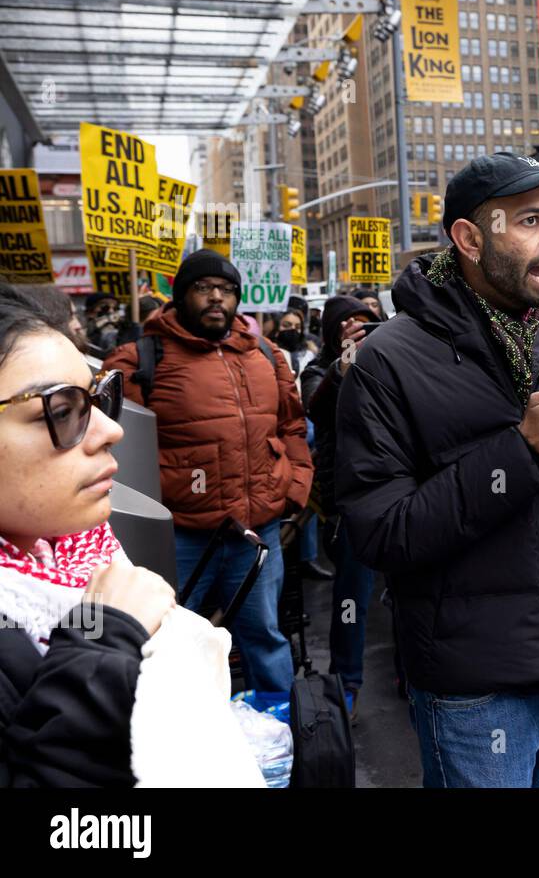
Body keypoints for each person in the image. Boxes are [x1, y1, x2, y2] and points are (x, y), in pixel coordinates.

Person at [334, 152, 539, 788]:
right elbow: (379, 533)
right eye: (528, 220)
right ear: (468, 238)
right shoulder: (388, 360)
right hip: (474, 687)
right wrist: (520, 452)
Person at [105, 249, 312, 694]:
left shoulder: (265, 354)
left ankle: (281, 743)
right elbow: (109, 442)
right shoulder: (140, 358)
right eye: (204, 288)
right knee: (169, 644)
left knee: (265, 639)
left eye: (227, 290)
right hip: (180, 537)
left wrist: (293, 487)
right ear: (182, 296)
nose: (217, 298)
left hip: (256, 533)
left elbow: (292, 424)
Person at [0, 284, 177, 787]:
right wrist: (105, 640)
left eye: (101, 397)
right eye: (59, 411)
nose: (109, 430)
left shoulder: (79, 548)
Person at [300, 294, 380, 716]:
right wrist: (345, 363)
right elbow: (319, 407)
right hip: (350, 507)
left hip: (398, 496)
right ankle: (345, 684)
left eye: (364, 320)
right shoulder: (318, 371)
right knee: (352, 602)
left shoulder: (393, 358)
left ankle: (412, 673)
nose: (356, 326)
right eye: (346, 322)